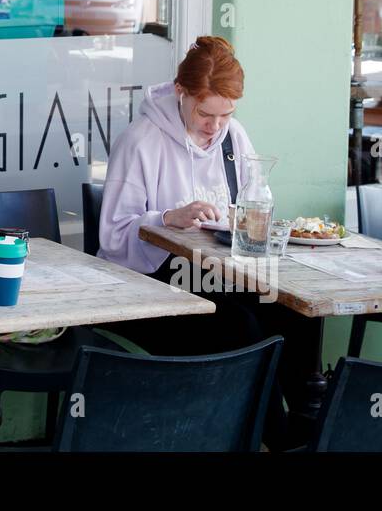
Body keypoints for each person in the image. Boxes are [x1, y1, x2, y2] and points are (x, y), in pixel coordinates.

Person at [98, 36, 262, 355]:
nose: (216, 126)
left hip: (218, 272)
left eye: (226, 114)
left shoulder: (234, 138)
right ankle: (252, 407)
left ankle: (301, 407)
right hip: (147, 282)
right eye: (205, 113)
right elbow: (113, 237)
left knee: (291, 317)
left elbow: (255, 211)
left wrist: (243, 218)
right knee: (239, 326)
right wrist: (167, 219)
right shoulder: (141, 142)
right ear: (180, 91)